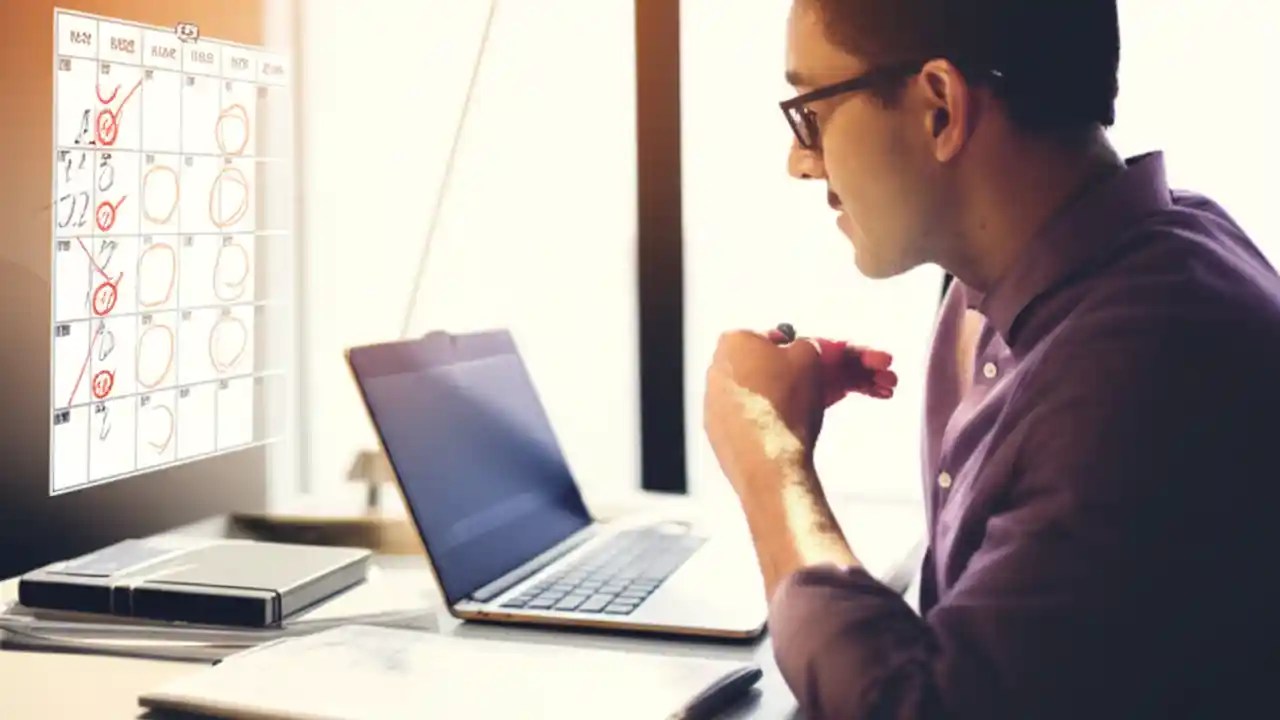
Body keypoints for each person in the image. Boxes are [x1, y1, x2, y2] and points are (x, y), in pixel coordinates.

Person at [700, 1, 1280, 718]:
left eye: (811, 114)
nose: (799, 160)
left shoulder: (1154, 357)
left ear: (940, 107)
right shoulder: (1037, 284)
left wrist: (771, 463)